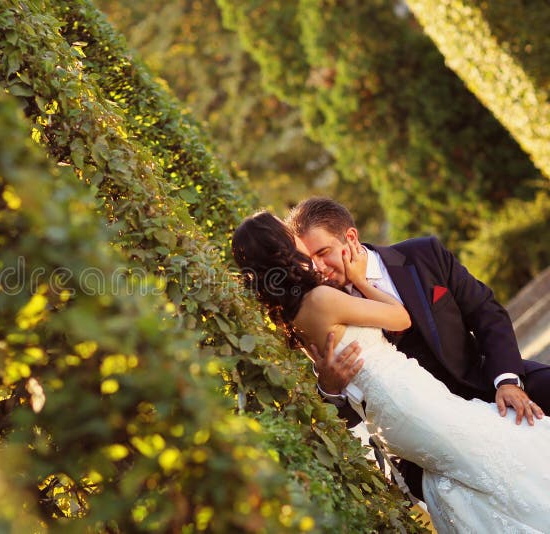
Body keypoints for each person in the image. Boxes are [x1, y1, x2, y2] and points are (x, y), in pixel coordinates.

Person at [231, 211, 550, 532]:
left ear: (350, 239)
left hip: (475, 386)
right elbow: (346, 408)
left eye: (323, 253)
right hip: (410, 410)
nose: (319, 266)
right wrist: (328, 386)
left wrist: (507, 380)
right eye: (308, 254)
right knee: (511, 455)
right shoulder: (324, 296)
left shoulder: (420, 255)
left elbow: (486, 313)